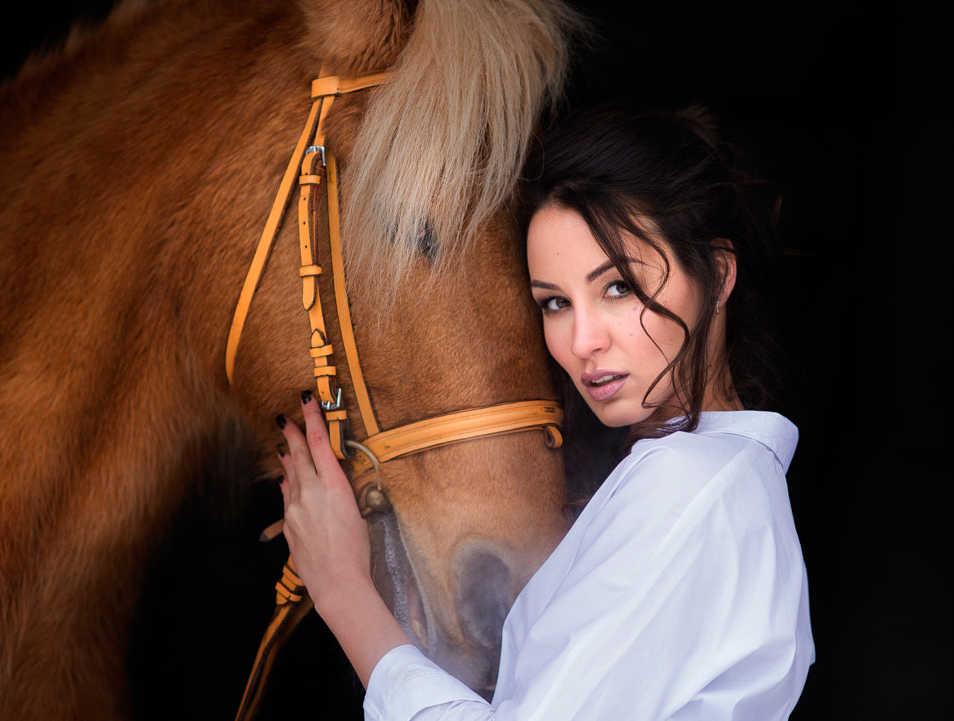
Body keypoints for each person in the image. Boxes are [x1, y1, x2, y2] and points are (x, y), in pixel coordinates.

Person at [272, 102, 814, 720]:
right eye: (555, 303)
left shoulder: (692, 489)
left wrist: (342, 591)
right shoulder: (716, 484)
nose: (581, 342)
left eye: (618, 288)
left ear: (716, 276)